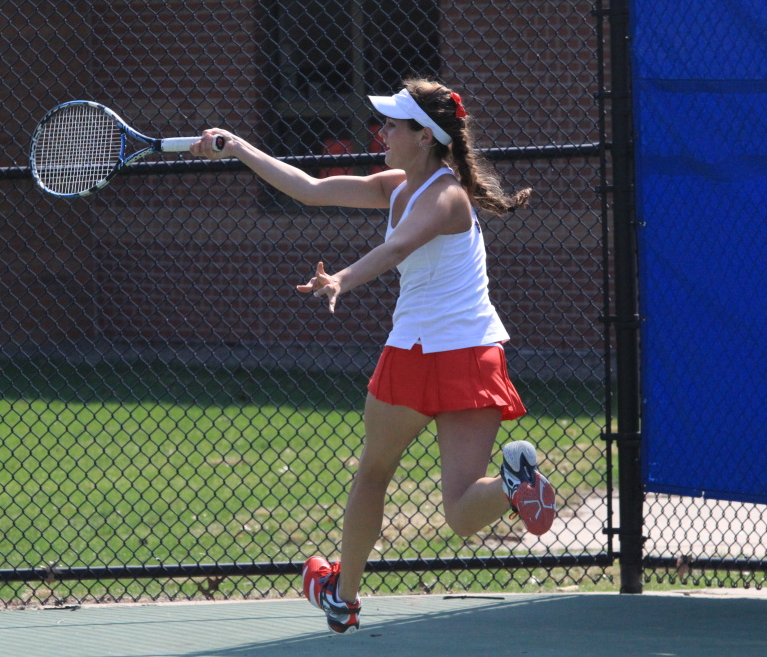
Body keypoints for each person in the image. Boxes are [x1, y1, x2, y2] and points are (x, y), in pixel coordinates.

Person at [189, 77, 555, 634]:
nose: (381, 131)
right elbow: (310, 188)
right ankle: (515, 485)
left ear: (425, 137)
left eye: (393, 124)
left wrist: (342, 279)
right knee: (459, 512)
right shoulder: (400, 185)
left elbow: (399, 246)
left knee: (373, 473)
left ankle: (343, 594)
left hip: (418, 355)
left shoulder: (443, 195)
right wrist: (239, 147)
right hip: (475, 356)